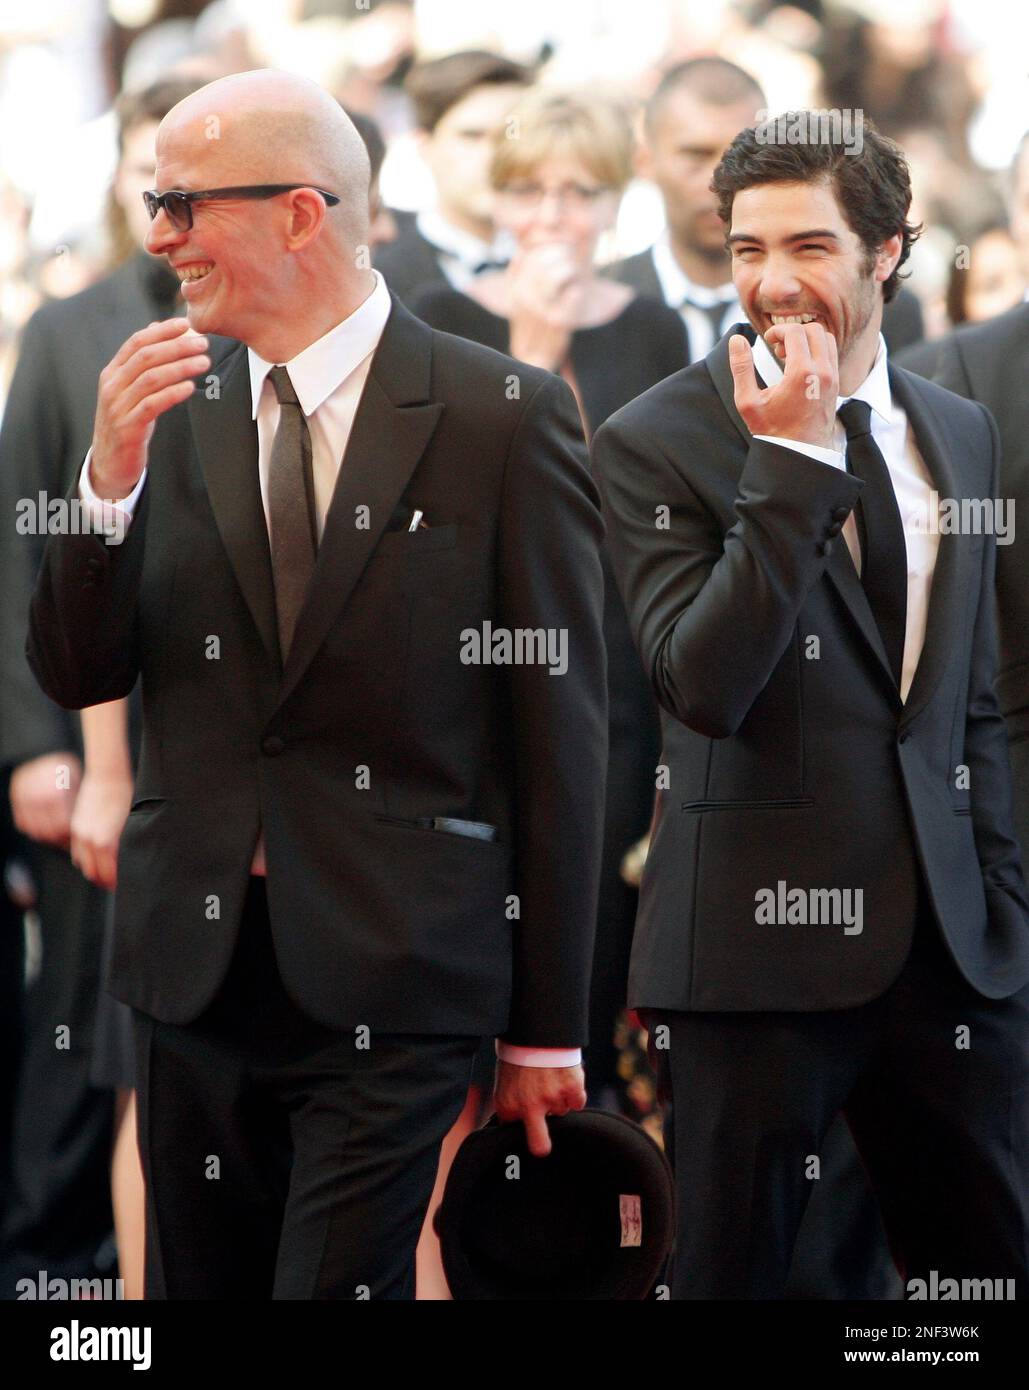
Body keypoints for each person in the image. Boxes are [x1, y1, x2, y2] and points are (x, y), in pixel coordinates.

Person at [27, 68, 607, 1300]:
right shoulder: (165, 408)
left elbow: (560, 734)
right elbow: (78, 667)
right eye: (150, 202)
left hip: (399, 972)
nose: (159, 238)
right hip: (193, 972)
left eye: (183, 203)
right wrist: (106, 483)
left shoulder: (498, 410)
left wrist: (547, 1021)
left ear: (300, 213)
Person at [593, 113, 1029, 1299]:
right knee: (735, 1279)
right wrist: (784, 473)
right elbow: (702, 683)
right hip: (751, 962)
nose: (772, 281)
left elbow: (968, 705)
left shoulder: (961, 430)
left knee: (979, 1284)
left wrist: (999, 899)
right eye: (745, 250)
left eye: (812, 246)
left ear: (891, 250)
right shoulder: (654, 439)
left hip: (952, 954)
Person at [413, 86, 684, 1109]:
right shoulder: (444, 322)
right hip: (475, 677)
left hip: (613, 677)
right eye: (530, 190)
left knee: (595, 939)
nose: (555, 215)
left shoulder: (655, 331)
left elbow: (647, 511)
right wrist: (531, 340)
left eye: (581, 191)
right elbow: (464, 506)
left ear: (617, 201)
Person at [0, 74, 204, 1299]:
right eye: (150, 168)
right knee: (79, 1024)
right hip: (87, 736)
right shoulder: (70, 329)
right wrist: (42, 748)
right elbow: (18, 539)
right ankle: (44, 1274)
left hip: (217, 760)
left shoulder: (259, 324)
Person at [608, 58, 924, 361]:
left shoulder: (879, 307)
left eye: (743, 157)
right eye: (697, 155)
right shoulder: (601, 303)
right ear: (645, 162)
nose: (720, 178)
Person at [372, 49, 532, 305]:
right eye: (472, 136)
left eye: (510, 135)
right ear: (424, 145)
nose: (494, 157)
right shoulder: (378, 277)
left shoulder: (572, 258)